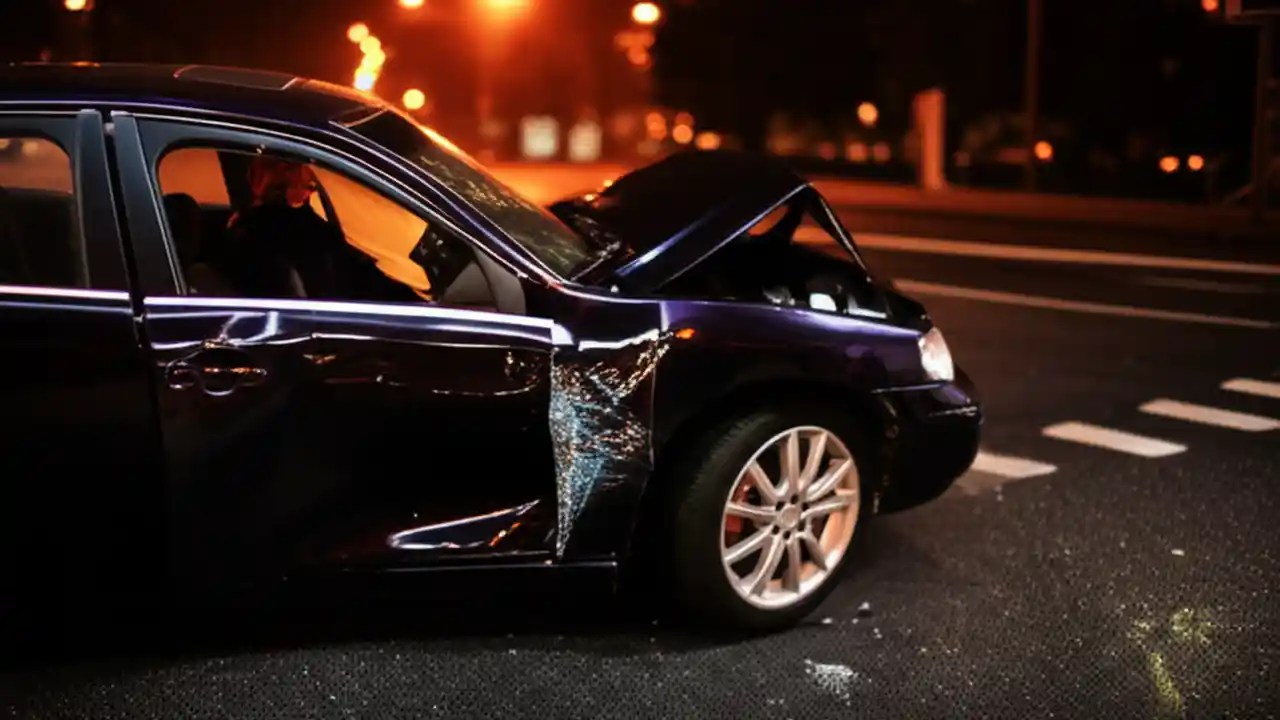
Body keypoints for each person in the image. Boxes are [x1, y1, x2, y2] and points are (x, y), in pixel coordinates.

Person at [218, 156, 353, 299]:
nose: (312, 192)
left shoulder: (241, 226)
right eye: (310, 186)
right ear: (289, 178)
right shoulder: (305, 227)